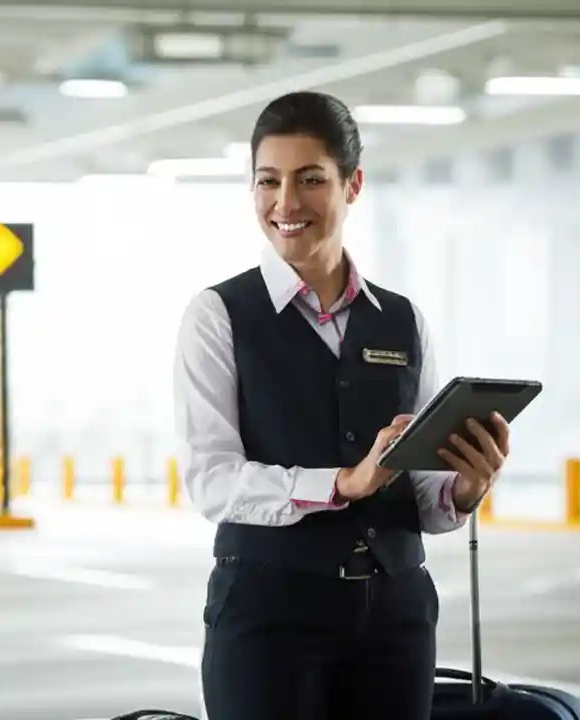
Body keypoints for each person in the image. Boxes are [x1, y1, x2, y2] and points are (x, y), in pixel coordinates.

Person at [172, 90, 509, 720]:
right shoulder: (218, 316)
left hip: (396, 616)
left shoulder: (403, 320)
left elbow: (425, 495)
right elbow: (212, 481)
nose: (286, 203)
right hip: (269, 617)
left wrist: (463, 489)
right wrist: (343, 484)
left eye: (310, 180)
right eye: (267, 181)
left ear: (352, 185)